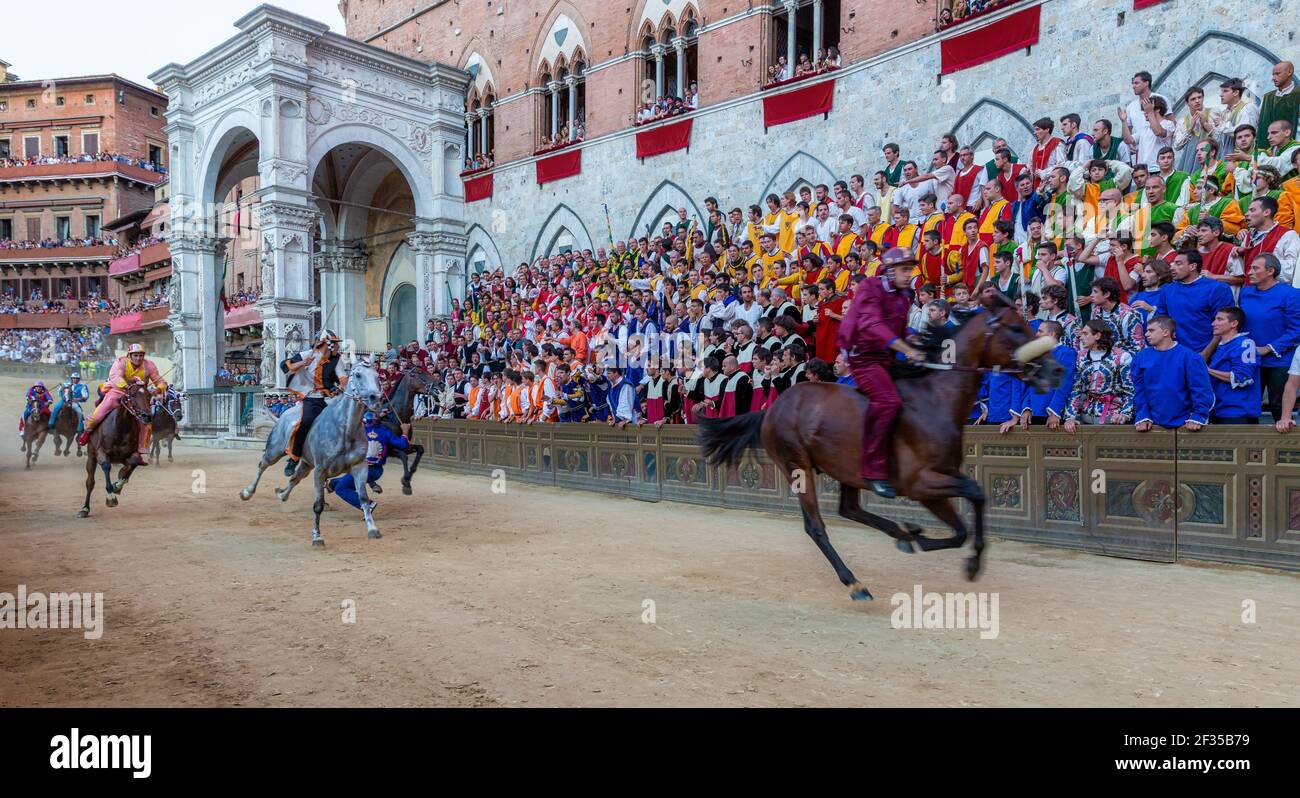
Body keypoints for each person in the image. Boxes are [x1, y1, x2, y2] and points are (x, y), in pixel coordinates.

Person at [837, 247, 925, 498]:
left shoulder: (906, 295)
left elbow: (900, 329)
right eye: (904, 270)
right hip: (862, 358)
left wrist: (917, 340)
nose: (909, 275)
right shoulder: (869, 287)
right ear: (888, 270)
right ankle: (872, 470)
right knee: (888, 401)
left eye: (910, 270)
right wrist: (905, 348)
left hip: (885, 356)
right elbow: (873, 325)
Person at [77, 343, 168, 464]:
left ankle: (141, 449)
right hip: (118, 390)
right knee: (101, 412)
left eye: (141, 355)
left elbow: (160, 381)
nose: (138, 358)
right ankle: (87, 432)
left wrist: (158, 389)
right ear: (129, 355)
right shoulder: (121, 362)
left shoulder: (149, 365)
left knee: (147, 421)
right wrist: (127, 386)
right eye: (135, 355)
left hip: (138, 395)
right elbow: (115, 376)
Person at [1238, 253, 1300, 421]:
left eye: (1255, 268)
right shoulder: (1245, 292)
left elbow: (1297, 330)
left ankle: (1287, 445)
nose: (1249, 272)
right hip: (1250, 357)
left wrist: (1267, 349)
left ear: (1270, 271)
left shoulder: (1291, 294)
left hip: (1279, 360)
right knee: (1247, 404)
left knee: (1278, 404)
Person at [1129, 315, 1213, 431]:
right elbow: (1139, 390)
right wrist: (1143, 416)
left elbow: (1201, 389)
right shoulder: (1141, 358)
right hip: (1152, 424)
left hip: (1187, 423)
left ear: (1165, 332)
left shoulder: (1190, 357)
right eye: (1146, 331)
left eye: (1151, 330)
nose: (1146, 334)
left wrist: (1198, 415)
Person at [281, 329, 346, 476]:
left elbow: (342, 376)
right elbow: (285, 366)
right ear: (326, 344)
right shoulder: (307, 355)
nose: (338, 347)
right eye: (335, 344)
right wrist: (304, 363)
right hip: (313, 398)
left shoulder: (337, 359)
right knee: (305, 422)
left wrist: (343, 384)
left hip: (332, 398)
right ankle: (294, 458)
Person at [326, 409, 408, 513]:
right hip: (376, 471)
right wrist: (405, 431)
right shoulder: (385, 431)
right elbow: (403, 445)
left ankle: (367, 505)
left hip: (361, 469)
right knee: (348, 481)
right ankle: (331, 484)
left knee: (341, 488)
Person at [1204, 306, 1262, 424]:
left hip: (1238, 413)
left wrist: (1207, 370)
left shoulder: (1245, 343)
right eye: (1215, 319)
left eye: (1220, 319)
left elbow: (1242, 377)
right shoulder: (1221, 345)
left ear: (1234, 323)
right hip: (1218, 410)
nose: (1213, 323)